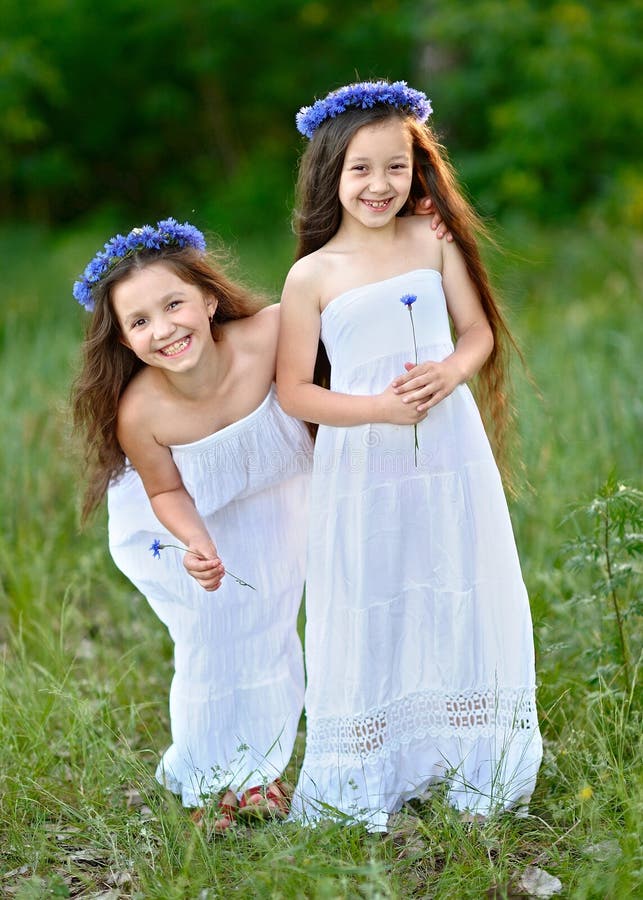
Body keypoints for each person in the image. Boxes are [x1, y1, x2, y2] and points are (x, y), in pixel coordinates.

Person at [277, 80, 543, 832]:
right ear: (331, 173)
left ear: (417, 168)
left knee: (454, 577)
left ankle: (467, 754)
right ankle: (371, 765)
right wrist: (377, 410)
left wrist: (449, 373)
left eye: (395, 167)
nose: (379, 185)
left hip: (449, 454)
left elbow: (477, 335)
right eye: (360, 169)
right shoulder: (313, 276)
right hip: (362, 468)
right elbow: (296, 391)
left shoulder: (432, 240)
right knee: (377, 589)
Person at [72, 218, 313, 833]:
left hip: (271, 491)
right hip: (176, 522)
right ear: (125, 341)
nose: (165, 329)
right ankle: (209, 775)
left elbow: (342, 289)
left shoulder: (269, 333)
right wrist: (196, 544)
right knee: (213, 633)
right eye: (140, 322)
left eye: (173, 304)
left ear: (209, 300)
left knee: (269, 619)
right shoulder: (142, 411)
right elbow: (164, 489)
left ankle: (258, 773)